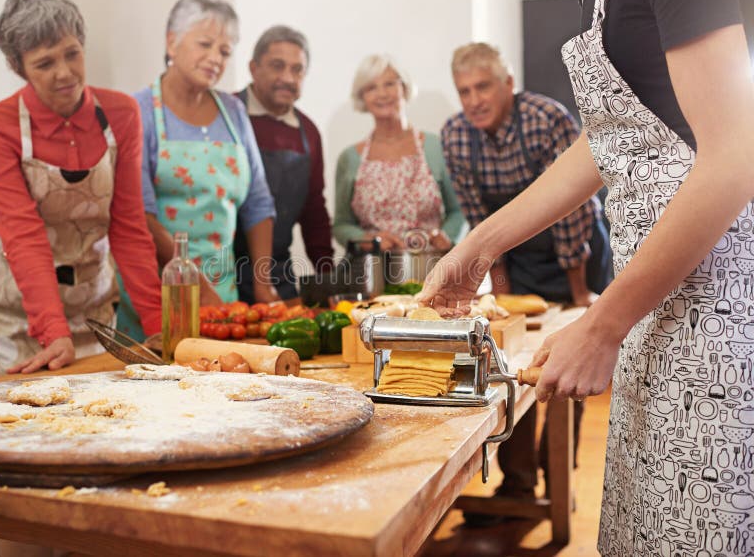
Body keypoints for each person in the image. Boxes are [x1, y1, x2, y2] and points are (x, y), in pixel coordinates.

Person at [421, 0, 753, 554]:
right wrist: (475, 251)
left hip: (721, 304)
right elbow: (608, 139)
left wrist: (602, 325)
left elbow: (736, 156)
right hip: (658, 297)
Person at [440, 41, 612, 503]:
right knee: (514, 360)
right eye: (464, 91)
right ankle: (517, 484)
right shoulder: (455, 135)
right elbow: (481, 221)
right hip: (512, 253)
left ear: (508, 84)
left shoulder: (545, 118)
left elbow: (575, 213)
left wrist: (577, 297)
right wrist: (502, 298)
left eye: (483, 87)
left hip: (575, 252)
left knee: (565, 362)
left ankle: (559, 482)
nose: (473, 99)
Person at [0, 0, 162, 382]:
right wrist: (53, 331)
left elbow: (127, 226)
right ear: (18, 67)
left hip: (93, 311)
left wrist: (160, 321)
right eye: (44, 63)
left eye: (72, 53)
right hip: (11, 310)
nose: (65, 73)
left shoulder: (122, 114)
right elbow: (22, 234)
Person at [116, 0, 277, 339]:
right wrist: (195, 283)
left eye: (224, 51)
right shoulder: (138, 111)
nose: (215, 58)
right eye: (205, 44)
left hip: (223, 295)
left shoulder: (233, 112)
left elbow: (258, 203)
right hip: (160, 292)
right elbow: (139, 214)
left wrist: (263, 286)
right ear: (172, 42)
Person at [234, 25, 334, 302]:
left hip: (279, 274)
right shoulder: (227, 113)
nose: (287, 78)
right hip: (222, 272)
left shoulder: (309, 132)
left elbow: (314, 211)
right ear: (253, 68)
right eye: (277, 66)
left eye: (297, 69)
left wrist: (327, 280)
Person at [334, 54, 466, 255]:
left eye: (389, 84)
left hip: (430, 266)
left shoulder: (436, 148)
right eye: (371, 87)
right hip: (372, 271)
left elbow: (459, 211)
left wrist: (446, 236)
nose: (382, 94)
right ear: (362, 97)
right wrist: (367, 239)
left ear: (404, 88)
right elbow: (341, 225)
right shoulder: (350, 158)